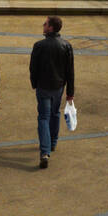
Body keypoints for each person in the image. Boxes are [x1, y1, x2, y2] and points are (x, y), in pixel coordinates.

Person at [29, 15, 74, 169]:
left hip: (43, 86)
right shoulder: (66, 45)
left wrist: (34, 83)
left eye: (45, 24)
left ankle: (45, 152)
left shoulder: (39, 46)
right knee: (55, 114)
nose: (43, 25)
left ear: (51, 27)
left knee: (43, 117)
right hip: (58, 87)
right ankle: (53, 142)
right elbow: (70, 71)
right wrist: (70, 91)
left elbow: (33, 68)